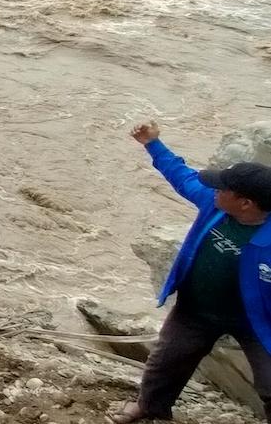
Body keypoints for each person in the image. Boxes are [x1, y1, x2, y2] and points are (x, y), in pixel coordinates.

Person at [113, 120, 271, 423]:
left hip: (258, 320)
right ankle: (150, 408)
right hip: (196, 310)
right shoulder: (215, 206)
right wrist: (152, 144)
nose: (213, 188)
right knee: (166, 363)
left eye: (222, 187)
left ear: (246, 203)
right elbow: (182, 177)